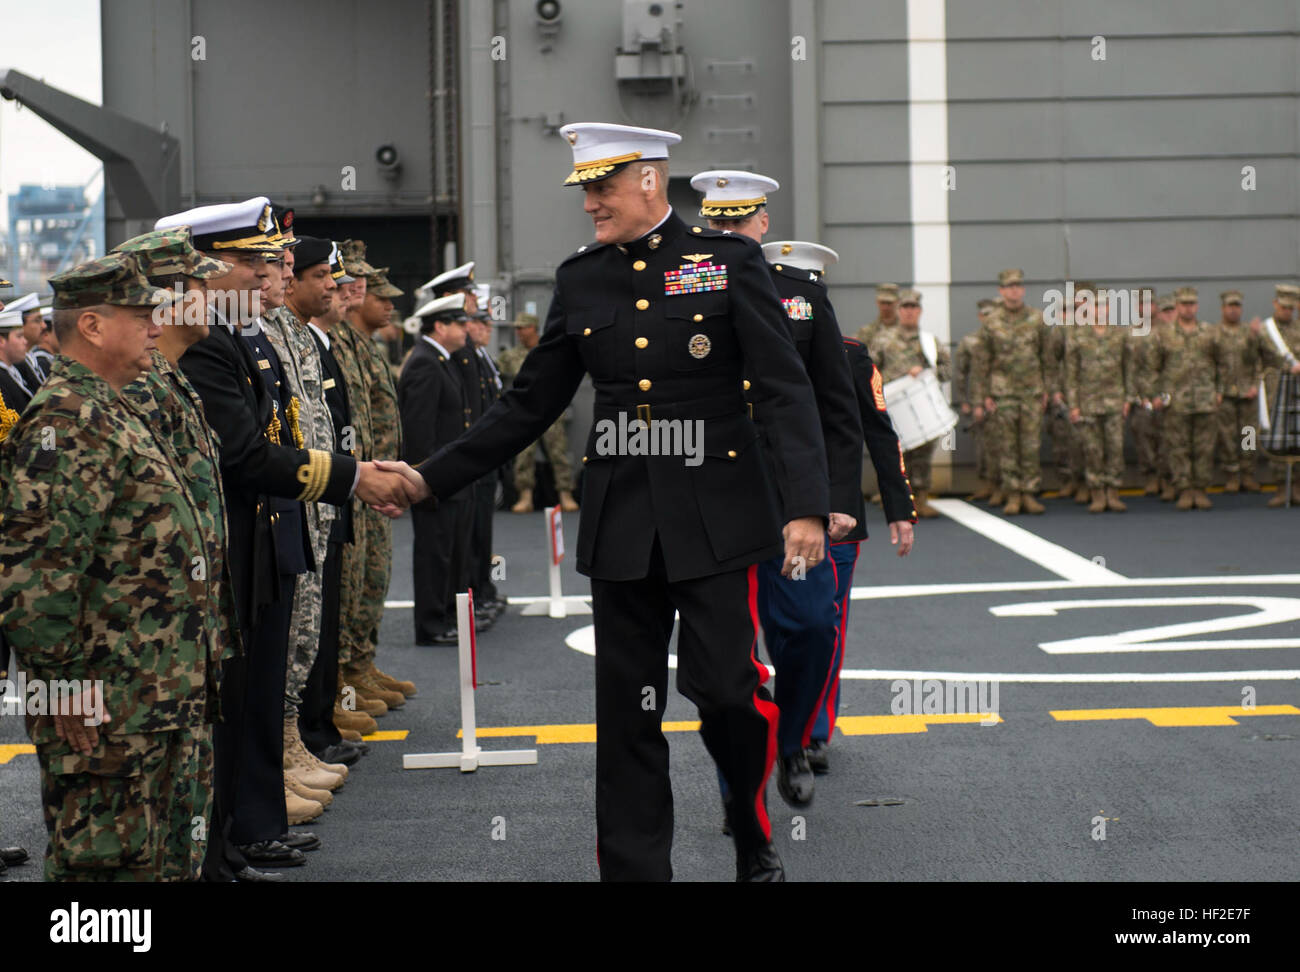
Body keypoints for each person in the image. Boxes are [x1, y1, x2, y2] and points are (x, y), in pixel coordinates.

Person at [378, 121, 829, 882]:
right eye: (585, 187)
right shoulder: (582, 278)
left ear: (649, 180)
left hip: (720, 517)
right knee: (629, 715)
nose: (590, 203)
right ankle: (634, 870)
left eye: (602, 186)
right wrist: (428, 477)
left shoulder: (726, 263)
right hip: (624, 525)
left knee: (726, 693)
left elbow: (784, 390)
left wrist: (807, 506)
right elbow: (528, 404)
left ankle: (751, 832)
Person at [158, 197, 415, 880]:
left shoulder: (238, 336)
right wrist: (356, 478)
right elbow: (243, 456)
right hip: (231, 547)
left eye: (269, 261)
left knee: (254, 693)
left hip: (266, 532)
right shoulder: (209, 343)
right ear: (205, 268)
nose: (266, 274)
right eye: (250, 262)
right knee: (229, 704)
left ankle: (242, 834)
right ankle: (226, 843)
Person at [0, 252, 220, 881]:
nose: (157, 326)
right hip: (104, 708)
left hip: (155, 693)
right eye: (141, 314)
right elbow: (34, 577)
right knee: (103, 869)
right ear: (92, 326)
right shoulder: (66, 421)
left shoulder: (112, 407)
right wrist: (63, 685)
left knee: (163, 860)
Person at [689, 168, 862, 808]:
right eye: (718, 223)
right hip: (713, 501)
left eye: (741, 222)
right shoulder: (681, 293)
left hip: (792, 503)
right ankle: (740, 787)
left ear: (762, 225)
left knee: (813, 626)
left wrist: (834, 498)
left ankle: (790, 741)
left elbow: (836, 410)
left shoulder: (801, 297)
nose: (730, 232)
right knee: (727, 654)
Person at [808, 335, 916, 771]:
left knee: (819, 629)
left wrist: (899, 508)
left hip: (836, 523)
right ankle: (754, 725)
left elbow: (879, 430)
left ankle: (809, 733)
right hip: (759, 517)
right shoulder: (746, 343)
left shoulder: (848, 353)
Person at [398, 293, 476, 647]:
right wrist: (423, 481)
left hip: (451, 481)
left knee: (451, 553)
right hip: (434, 483)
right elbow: (418, 432)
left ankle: (445, 615)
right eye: (460, 324)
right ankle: (431, 624)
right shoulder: (426, 363)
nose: (466, 329)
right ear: (439, 326)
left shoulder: (442, 360)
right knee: (434, 554)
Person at [868, 288, 952, 517]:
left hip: (922, 406)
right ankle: (897, 501)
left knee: (922, 454)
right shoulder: (883, 340)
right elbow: (869, 371)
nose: (909, 312)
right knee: (895, 455)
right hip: (893, 406)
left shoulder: (929, 342)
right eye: (905, 307)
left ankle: (921, 500)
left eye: (913, 307)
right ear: (898, 310)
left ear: (920, 311)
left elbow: (947, 370)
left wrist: (927, 371)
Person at [972, 269, 1048, 515]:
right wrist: (982, 396)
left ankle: (1029, 493)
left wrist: (1048, 388)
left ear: (1022, 290)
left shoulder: (1037, 319)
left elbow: (1047, 357)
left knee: (1030, 444)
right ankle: (1013, 494)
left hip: (1032, 391)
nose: (1014, 290)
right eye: (1009, 286)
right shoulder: (992, 322)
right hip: (1002, 392)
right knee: (1006, 446)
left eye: (1018, 286)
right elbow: (982, 362)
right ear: (1001, 291)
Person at [1152, 286, 1222, 510]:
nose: (1188, 308)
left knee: (1204, 448)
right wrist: (1159, 396)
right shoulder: (1164, 334)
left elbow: (1221, 364)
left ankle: (1200, 489)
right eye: (1183, 304)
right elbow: (1154, 368)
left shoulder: (1209, 332)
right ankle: (1184, 490)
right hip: (1176, 401)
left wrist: (1218, 391)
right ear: (1177, 306)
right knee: (1178, 448)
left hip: (1205, 399)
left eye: (1191, 304)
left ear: (1197, 306)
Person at [1066, 285, 1132, 512]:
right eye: (1096, 305)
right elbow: (1071, 373)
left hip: (1115, 401)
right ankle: (1096, 493)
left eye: (1104, 305)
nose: (1100, 310)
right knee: (1092, 450)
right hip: (1088, 402)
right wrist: (1073, 404)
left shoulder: (1119, 335)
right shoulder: (1079, 335)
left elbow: (1128, 368)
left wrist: (1128, 398)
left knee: (1114, 448)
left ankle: (1112, 492)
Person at [1212, 289, 1264, 493]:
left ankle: (1248, 474)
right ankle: (1232, 475)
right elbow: (1210, 364)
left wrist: (1255, 385)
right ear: (1223, 308)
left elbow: (1258, 361)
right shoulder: (1213, 333)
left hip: (1247, 393)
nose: (1234, 311)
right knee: (1226, 436)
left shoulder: (1249, 332)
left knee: (1248, 435)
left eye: (1237, 306)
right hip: (1225, 393)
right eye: (1230, 306)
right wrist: (1215, 389)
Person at [1257, 283, 1300, 507]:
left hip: (1298, 391)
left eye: (1291, 308)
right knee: (1277, 438)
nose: (1287, 312)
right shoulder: (1266, 330)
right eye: (1284, 307)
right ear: (1275, 304)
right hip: (1276, 390)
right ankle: (1281, 488)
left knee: (1298, 436)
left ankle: (1297, 487)